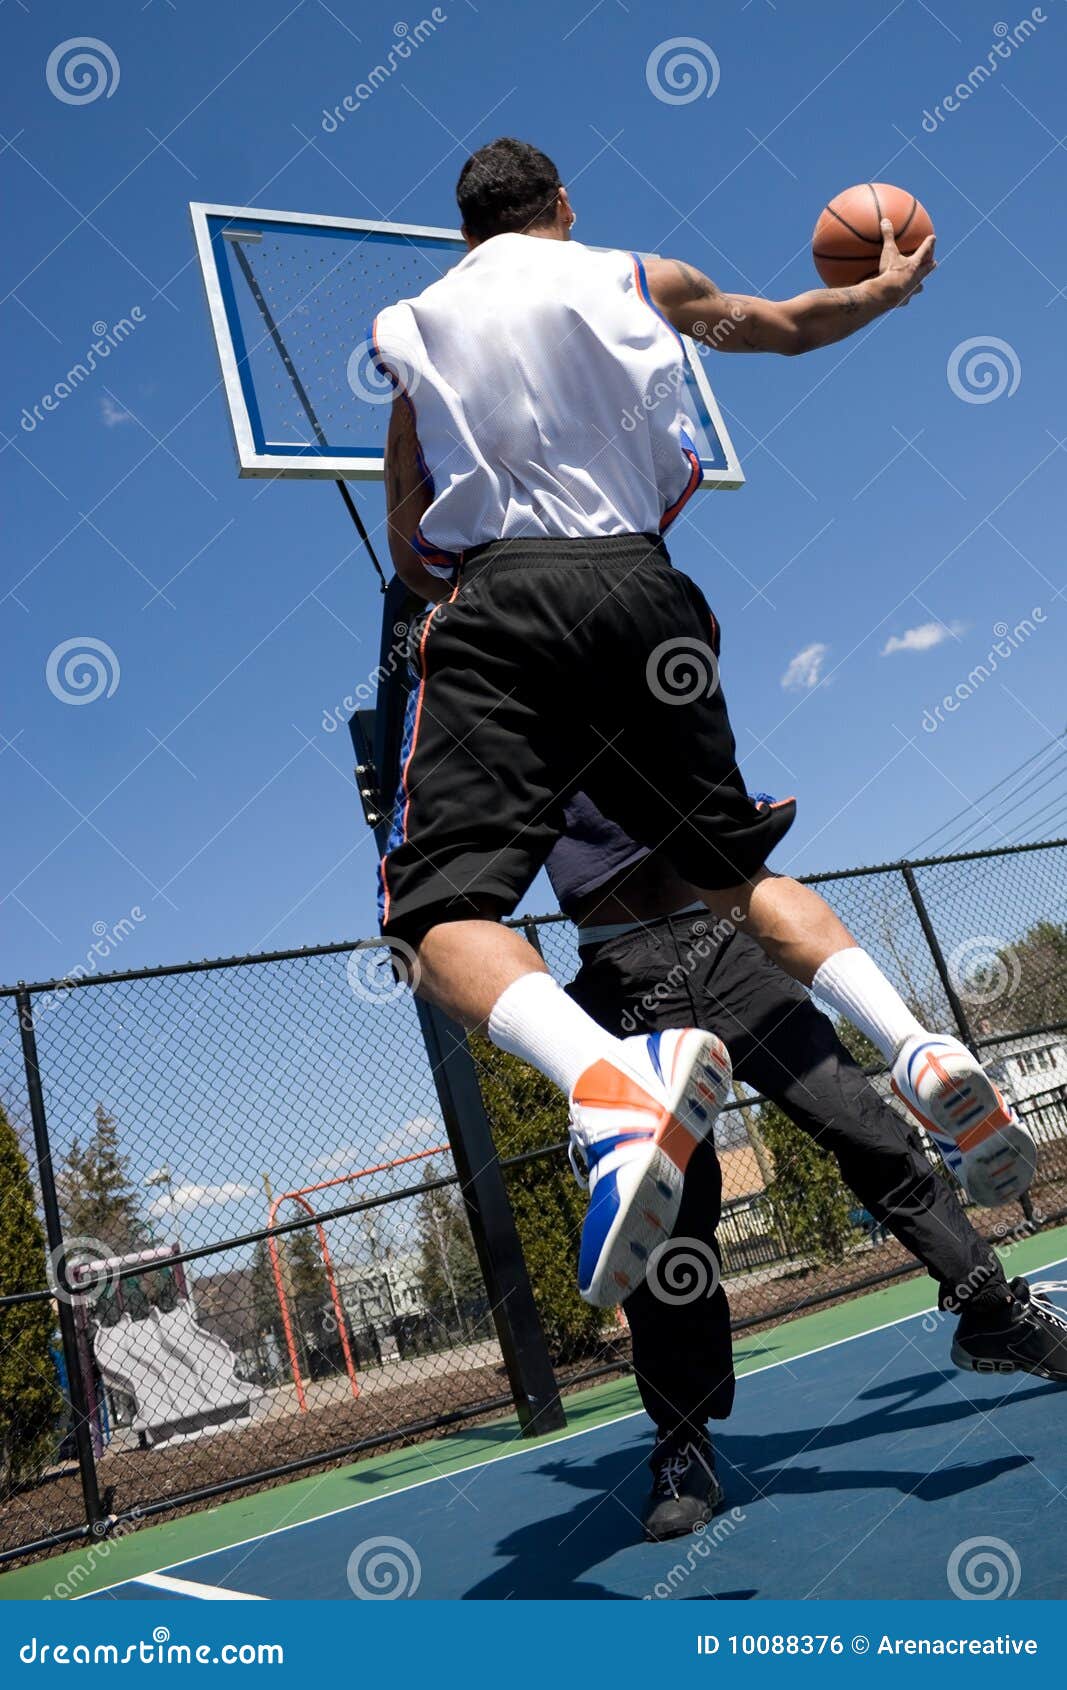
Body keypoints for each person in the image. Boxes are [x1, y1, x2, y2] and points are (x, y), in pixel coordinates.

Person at [374, 136, 1031, 1308]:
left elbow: (412, 535)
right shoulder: (643, 276)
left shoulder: (411, 326)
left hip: (504, 593)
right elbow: (781, 324)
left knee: (438, 917)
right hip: (642, 586)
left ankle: (605, 1088)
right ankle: (914, 1041)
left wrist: (460, 584)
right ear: (561, 206)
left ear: (465, 232)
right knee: (730, 866)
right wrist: (883, 288)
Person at [549, 792, 1067, 1540]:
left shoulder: (655, 698)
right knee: (668, 1221)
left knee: (866, 1127)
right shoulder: (516, 727)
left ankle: (992, 1313)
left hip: (726, 943)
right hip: (622, 976)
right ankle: (682, 1438)